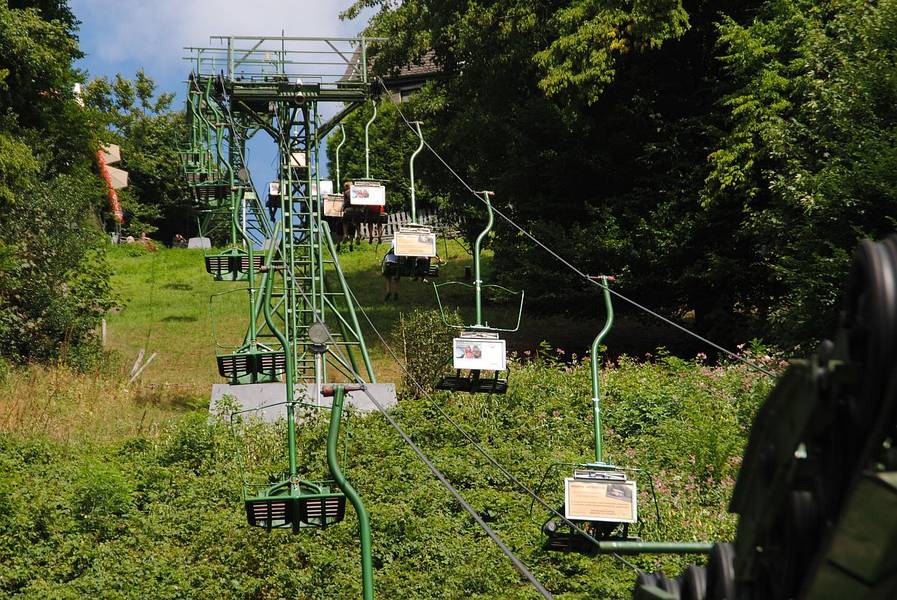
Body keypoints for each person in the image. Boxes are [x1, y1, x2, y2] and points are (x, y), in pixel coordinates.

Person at [381, 237, 401, 301]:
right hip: (397, 264)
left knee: (388, 277)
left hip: (389, 264)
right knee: (396, 278)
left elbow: (386, 258)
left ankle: (388, 291)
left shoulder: (392, 246)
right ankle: (396, 292)